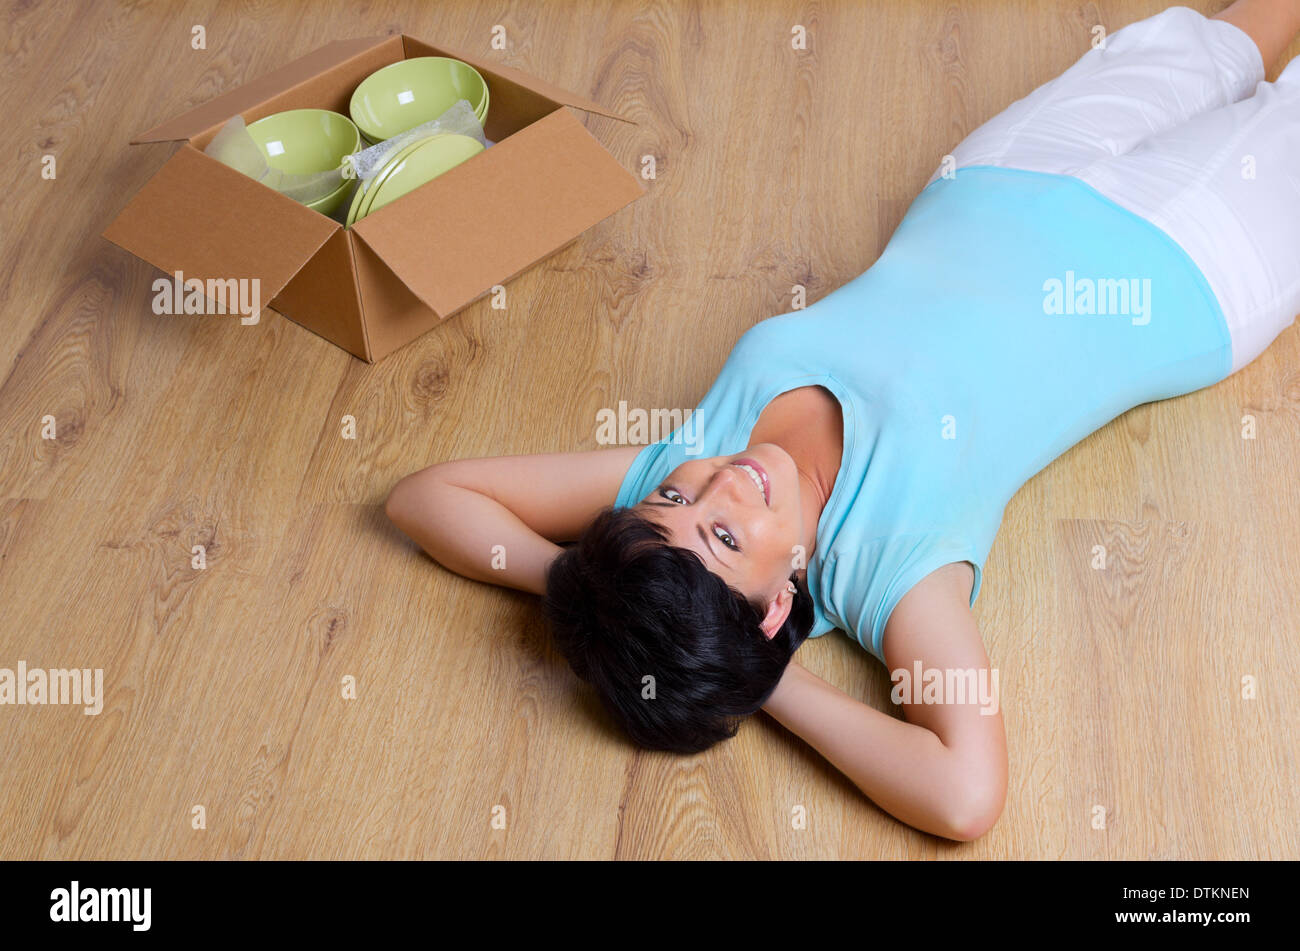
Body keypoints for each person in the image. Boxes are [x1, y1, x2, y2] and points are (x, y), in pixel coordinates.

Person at [385, 1, 1300, 841]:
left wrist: (595, 585)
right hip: (1192, 262)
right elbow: (965, 797)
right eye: (724, 534)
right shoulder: (890, 567)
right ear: (779, 602)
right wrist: (762, 680)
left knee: (1213, 41)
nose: (717, 482)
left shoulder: (684, 460)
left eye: (673, 498)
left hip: (1000, 173)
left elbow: (427, 495)